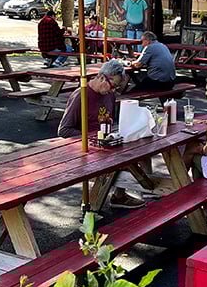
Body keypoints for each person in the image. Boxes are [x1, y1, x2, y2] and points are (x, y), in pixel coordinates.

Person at [57, 59, 145, 208]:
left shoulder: (109, 95)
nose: (113, 91)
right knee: (123, 161)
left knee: (137, 151)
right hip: (85, 148)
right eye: (113, 86)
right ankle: (97, 201)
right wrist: (92, 137)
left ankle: (119, 195)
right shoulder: (81, 95)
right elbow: (63, 130)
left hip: (105, 144)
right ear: (102, 77)